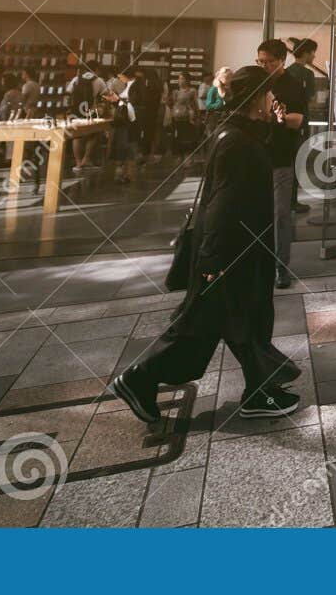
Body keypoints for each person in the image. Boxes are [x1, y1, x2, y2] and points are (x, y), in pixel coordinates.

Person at [109, 65, 300, 424]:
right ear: (257, 97)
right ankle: (140, 378)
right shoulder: (235, 141)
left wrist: (275, 125)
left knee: (246, 321)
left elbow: (276, 155)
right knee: (202, 325)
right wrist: (212, 260)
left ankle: (260, 391)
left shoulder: (245, 134)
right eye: (269, 93)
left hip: (244, 246)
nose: (275, 98)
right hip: (230, 250)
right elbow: (221, 206)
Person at [256, 40, 305, 288]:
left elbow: (297, 120)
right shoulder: (254, 79)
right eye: (260, 61)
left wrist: (277, 118)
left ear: (281, 60)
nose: (264, 66)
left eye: (269, 62)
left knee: (280, 214)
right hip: (254, 156)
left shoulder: (292, 85)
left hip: (281, 157)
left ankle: (280, 266)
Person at [285, 39, 319, 214]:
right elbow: (312, 99)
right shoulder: (307, 75)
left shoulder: (287, 72)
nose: (314, 55)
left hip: (285, 121)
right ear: (306, 53)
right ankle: (293, 201)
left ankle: (286, 199)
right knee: (298, 160)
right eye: (313, 52)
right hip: (301, 123)